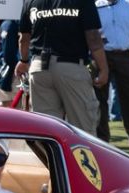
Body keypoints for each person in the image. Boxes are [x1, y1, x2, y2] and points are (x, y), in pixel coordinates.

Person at [16, 0, 108, 133]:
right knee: (83, 127)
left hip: (39, 67)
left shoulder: (30, 1)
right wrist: (103, 68)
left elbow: (24, 38)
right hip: (71, 67)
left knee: (47, 129)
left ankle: (50, 154)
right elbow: (93, 37)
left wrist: (23, 61)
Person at [95, 0, 129, 148]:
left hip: (125, 55)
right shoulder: (95, 6)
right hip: (101, 56)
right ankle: (101, 140)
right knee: (99, 98)